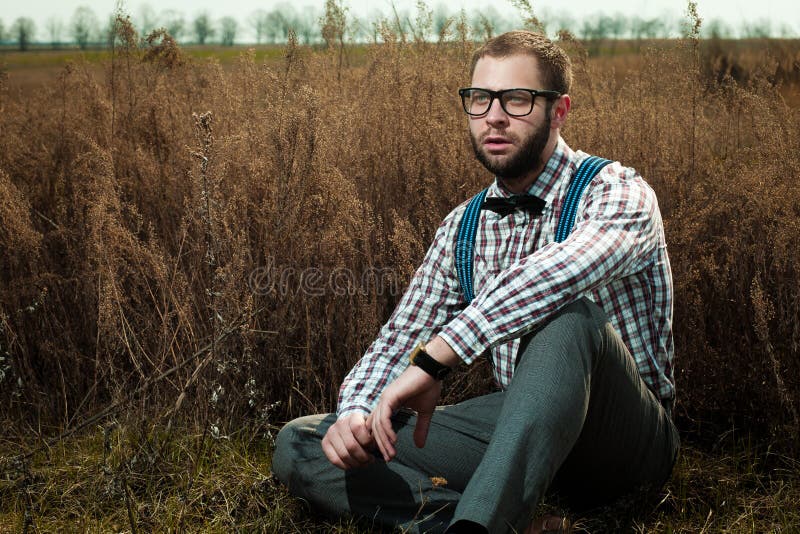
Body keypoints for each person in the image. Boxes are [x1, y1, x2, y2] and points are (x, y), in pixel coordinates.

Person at [272, 30, 679, 533]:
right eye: (480, 99)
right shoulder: (462, 228)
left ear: (559, 111)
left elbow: (553, 276)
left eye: (517, 99)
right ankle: (485, 523)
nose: (494, 117)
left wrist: (440, 356)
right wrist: (358, 411)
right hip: (518, 431)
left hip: (620, 439)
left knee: (568, 318)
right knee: (308, 441)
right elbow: (401, 336)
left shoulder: (619, 192)